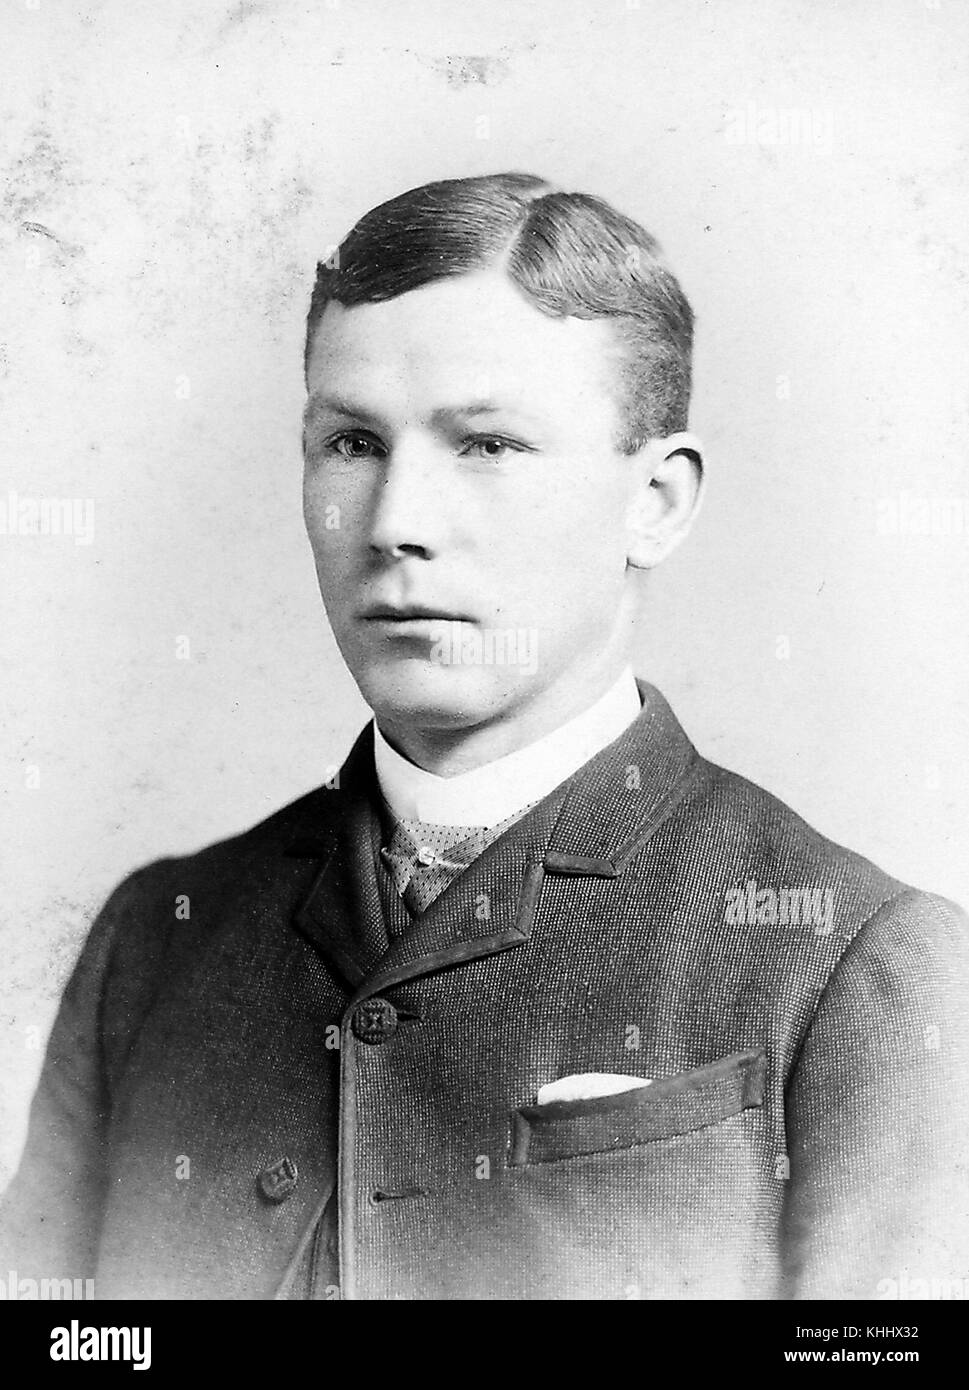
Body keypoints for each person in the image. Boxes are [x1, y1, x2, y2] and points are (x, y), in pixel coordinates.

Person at [3, 172, 967, 1300]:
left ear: (655, 501)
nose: (397, 523)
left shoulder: (860, 961)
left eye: (489, 445)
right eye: (352, 444)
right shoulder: (152, 942)